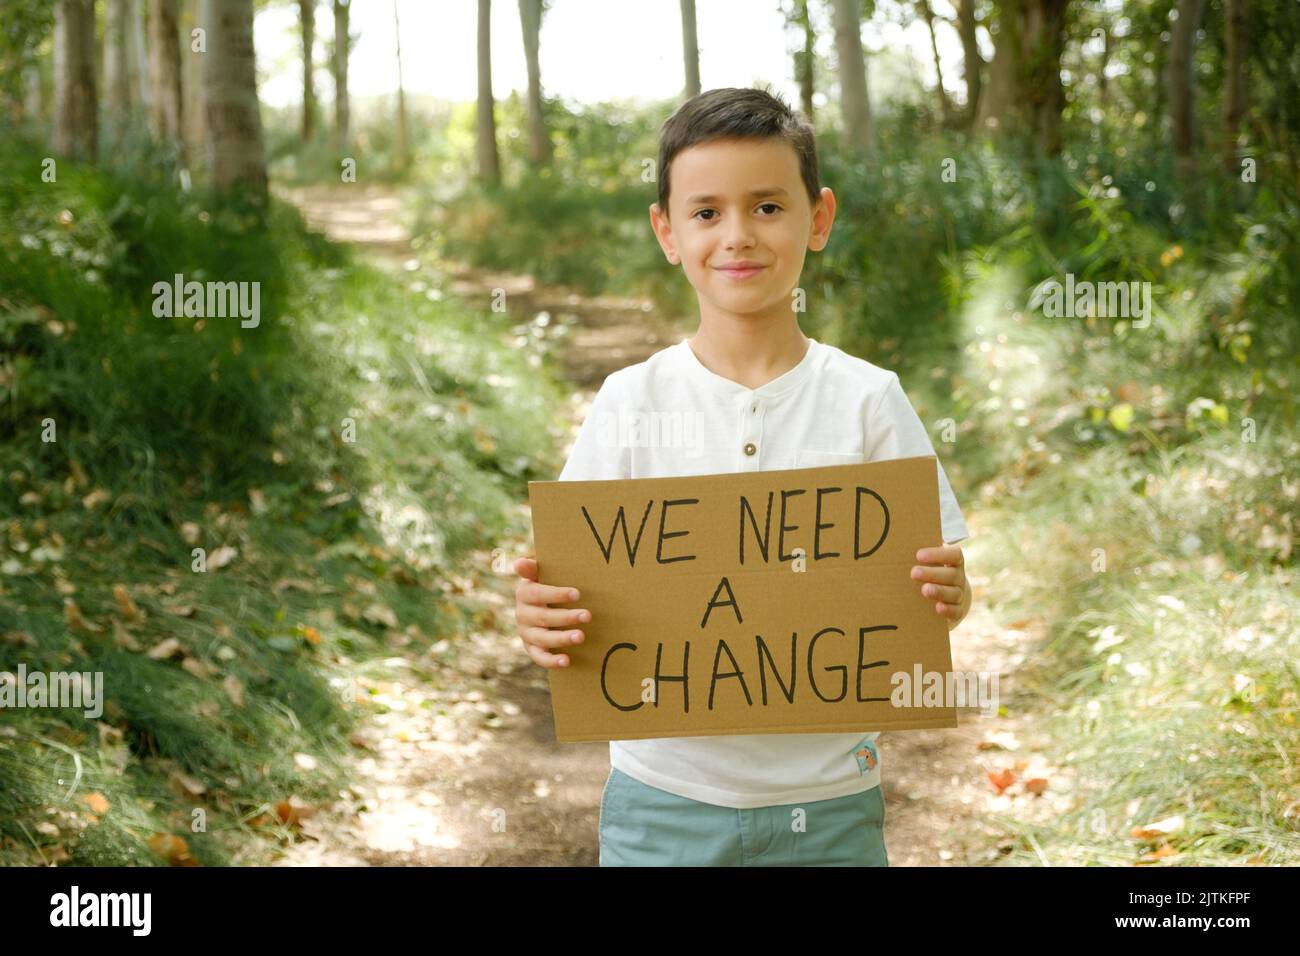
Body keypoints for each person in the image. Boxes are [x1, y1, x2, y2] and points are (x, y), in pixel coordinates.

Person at [513, 87, 972, 866]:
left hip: (831, 804)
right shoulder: (631, 402)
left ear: (817, 219)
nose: (737, 237)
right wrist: (540, 619)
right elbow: (567, 586)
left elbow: (935, 594)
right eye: (705, 213)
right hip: (662, 803)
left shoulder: (868, 400)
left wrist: (951, 599)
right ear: (667, 230)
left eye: (767, 207)